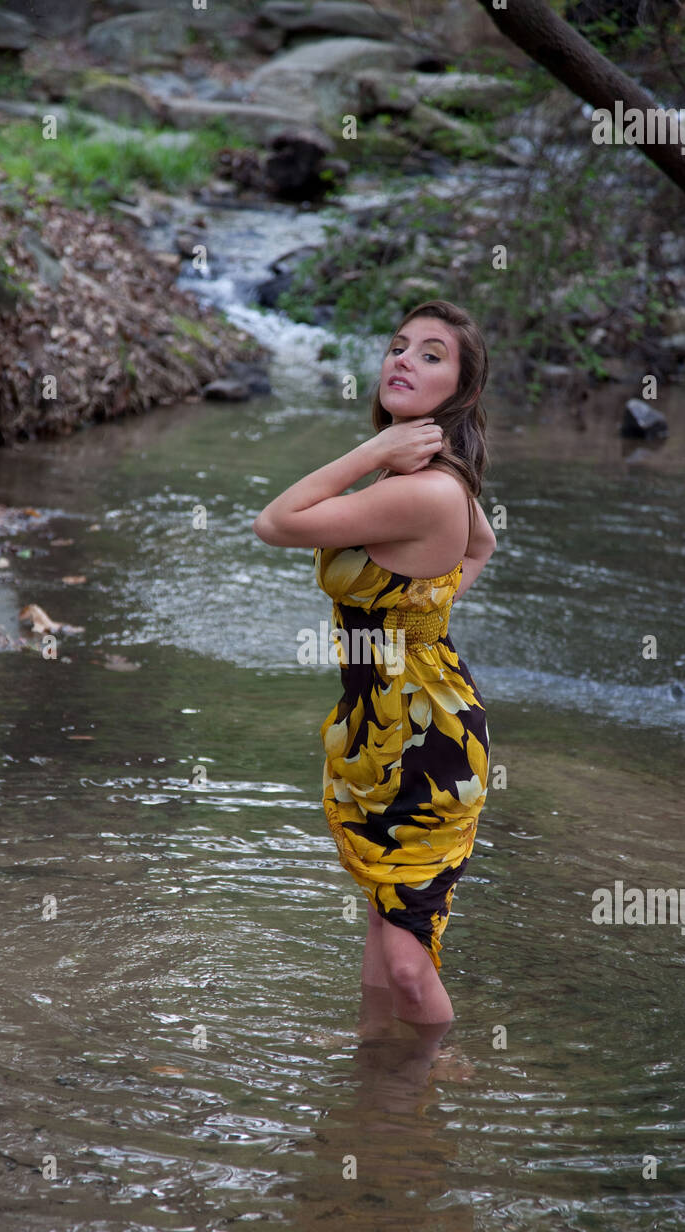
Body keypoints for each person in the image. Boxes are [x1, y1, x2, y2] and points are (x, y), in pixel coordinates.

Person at [254, 300, 497, 1027]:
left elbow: (276, 523)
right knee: (384, 922)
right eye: (398, 346)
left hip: (430, 741)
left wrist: (371, 451)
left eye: (431, 354)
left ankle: (438, 1076)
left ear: (459, 392)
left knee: (407, 964)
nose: (403, 359)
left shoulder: (422, 490)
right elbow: (481, 545)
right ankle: (379, 1070)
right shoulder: (420, 482)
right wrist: (425, 613)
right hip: (376, 731)